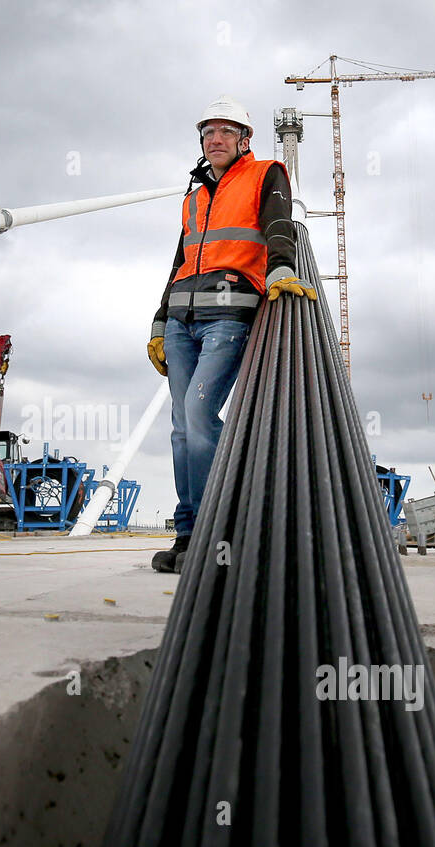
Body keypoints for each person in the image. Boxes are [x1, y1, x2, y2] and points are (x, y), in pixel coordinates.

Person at [147, 95, 313, 573]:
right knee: (182, 431)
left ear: (245, 139)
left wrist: (281, 268)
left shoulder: (266, 174)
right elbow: (181, 261)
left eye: (225, 131)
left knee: (199, 416)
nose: (214, 139)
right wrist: (160, 320)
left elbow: (280, 224)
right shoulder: (194, 195)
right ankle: (189, 535)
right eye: (207, 133)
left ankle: (225, 527)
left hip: (229, 314)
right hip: (181, 320)